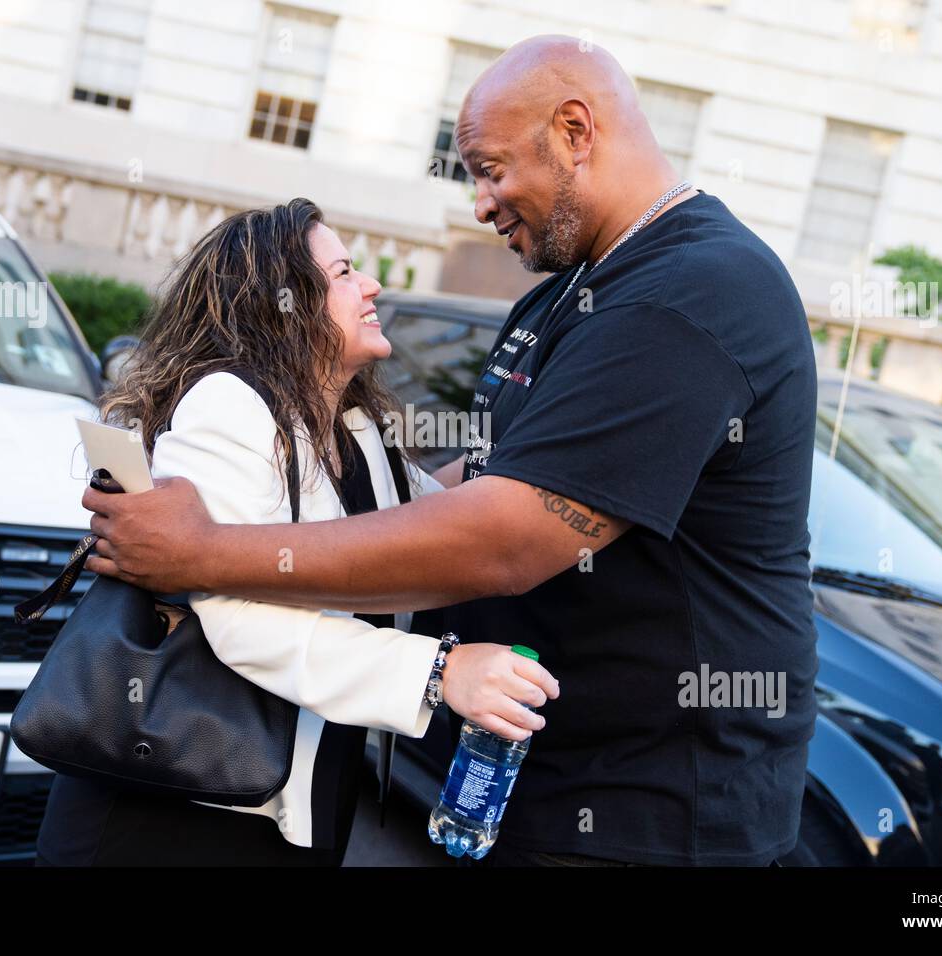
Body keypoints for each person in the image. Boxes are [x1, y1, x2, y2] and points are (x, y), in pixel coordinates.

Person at [82, 35, 819, 867]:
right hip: (519, 775)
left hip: (647, 807)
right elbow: (485, 479)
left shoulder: (694, 292)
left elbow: (509, 533)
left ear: (576, 131)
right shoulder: (563, 300)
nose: (479, 202)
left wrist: (204, 551)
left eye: (492, 168)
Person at [35, 198, 560, 866]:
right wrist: (440, 674)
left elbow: (444, 521)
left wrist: (558, 444)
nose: (371, 287)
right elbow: (239, 621)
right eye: (343, 273)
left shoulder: (356, 429)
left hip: (302, 798)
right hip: (180, 808)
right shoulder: (229, 404)